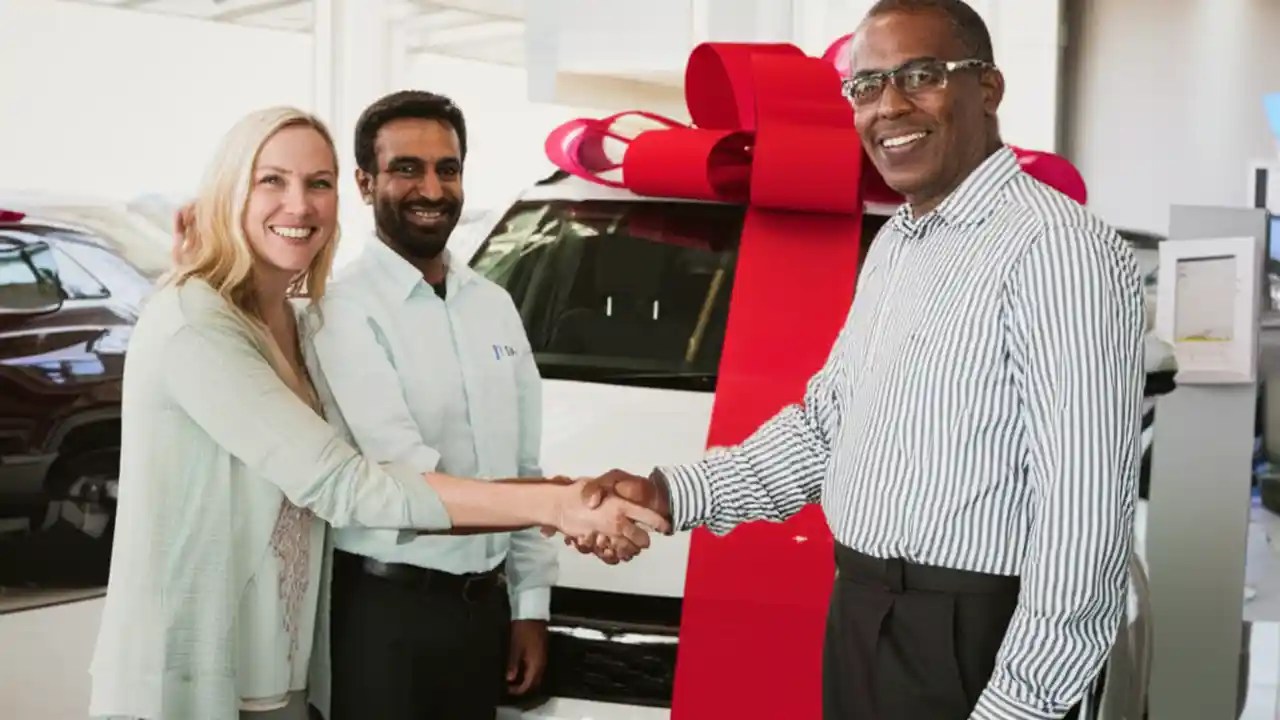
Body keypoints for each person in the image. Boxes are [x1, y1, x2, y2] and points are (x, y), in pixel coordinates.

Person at [574, 1, 1146, 719]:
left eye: (922, 76)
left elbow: (1085, 516)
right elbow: (824, 428)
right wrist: (671, 493)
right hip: (864, 611)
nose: (890, 106)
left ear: (989, 88)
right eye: (867, 85)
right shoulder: (900, 247)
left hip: (975, 636)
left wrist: (1021, 705)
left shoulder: (1058, 251)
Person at [87, 106, 667, 720]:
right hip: (200, 660)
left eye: (317, 183)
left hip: (278, 654)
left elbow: (515, 458)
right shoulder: (209, 323)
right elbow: (348, 484)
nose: (300, 204)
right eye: (271, 180)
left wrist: (532, 592)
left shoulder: (288, 316)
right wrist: (557, 503)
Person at [306, 90, 558, 720]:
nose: (432, 188)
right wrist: (569, 505)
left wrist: (530, 606)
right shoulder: (341, 311)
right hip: (384, 617)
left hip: (481, 616)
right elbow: (408, 474)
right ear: (366, 184)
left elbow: (522, 461)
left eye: (448, 168)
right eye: (407, 168)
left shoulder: (493, 305)